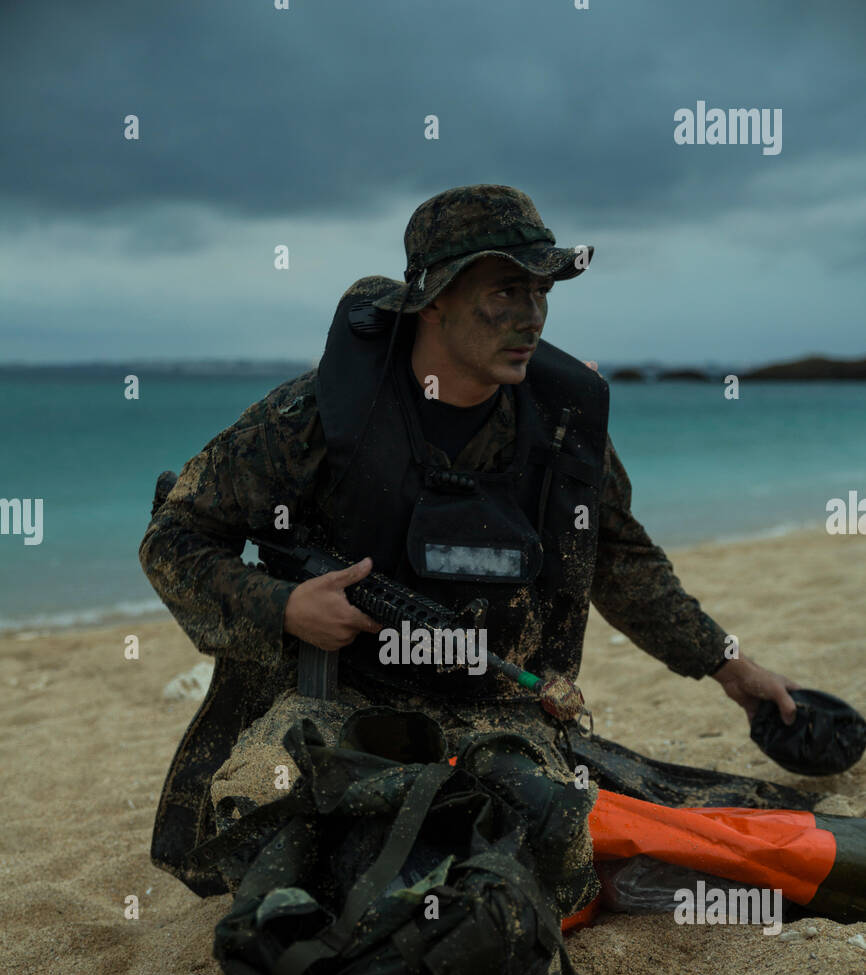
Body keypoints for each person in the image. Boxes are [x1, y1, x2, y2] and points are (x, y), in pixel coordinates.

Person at [139, 184, 800, 900]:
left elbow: (620, 558)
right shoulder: (318, 418)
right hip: (340, 706)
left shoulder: (559, 426)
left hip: (498, 712)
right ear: (434, 300)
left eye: (540, 292)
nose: (530, 317)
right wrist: (285, 606)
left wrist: (731, 666)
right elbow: (174, 538)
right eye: (503, 292)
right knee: (285, 820)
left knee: (538, 836)